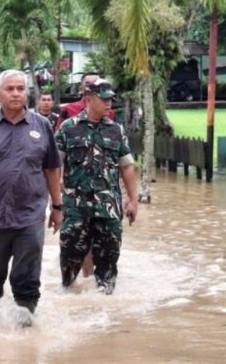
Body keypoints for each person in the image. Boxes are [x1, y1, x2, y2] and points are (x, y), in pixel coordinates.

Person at [0, 69, 62, 317]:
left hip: (30, 215)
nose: (16, 94)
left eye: (20, 89)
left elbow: (51, 168)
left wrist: (58, 207)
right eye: (10, 89)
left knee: (27, 279)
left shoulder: (42, 125)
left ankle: (25, 330)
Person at [55, 78, 138, 295]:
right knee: (70, 263)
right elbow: (54, 167)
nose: (109, 103)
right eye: (104, 99)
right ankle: (70, 306)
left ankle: (105, 311)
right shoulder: (68, 128)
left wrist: (133, 200)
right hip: (75, 208)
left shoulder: (116, 130)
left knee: (109, 265)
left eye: (111, 99)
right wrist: (54, 202)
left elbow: (127, 167)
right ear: (88, 99)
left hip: (108, 209)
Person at [56, 71, 116, 277]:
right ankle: (85, 277)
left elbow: (122, 163)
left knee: (102, 245)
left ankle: (91, 280)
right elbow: (58, 159)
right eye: (90, 83)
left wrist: (126, 197)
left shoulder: (112, 121)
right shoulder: (68, 116)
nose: (108, 102)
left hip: (104, 197)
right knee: (78, 245)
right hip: (77, 197)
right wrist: (57, 191)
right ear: (85, 91)